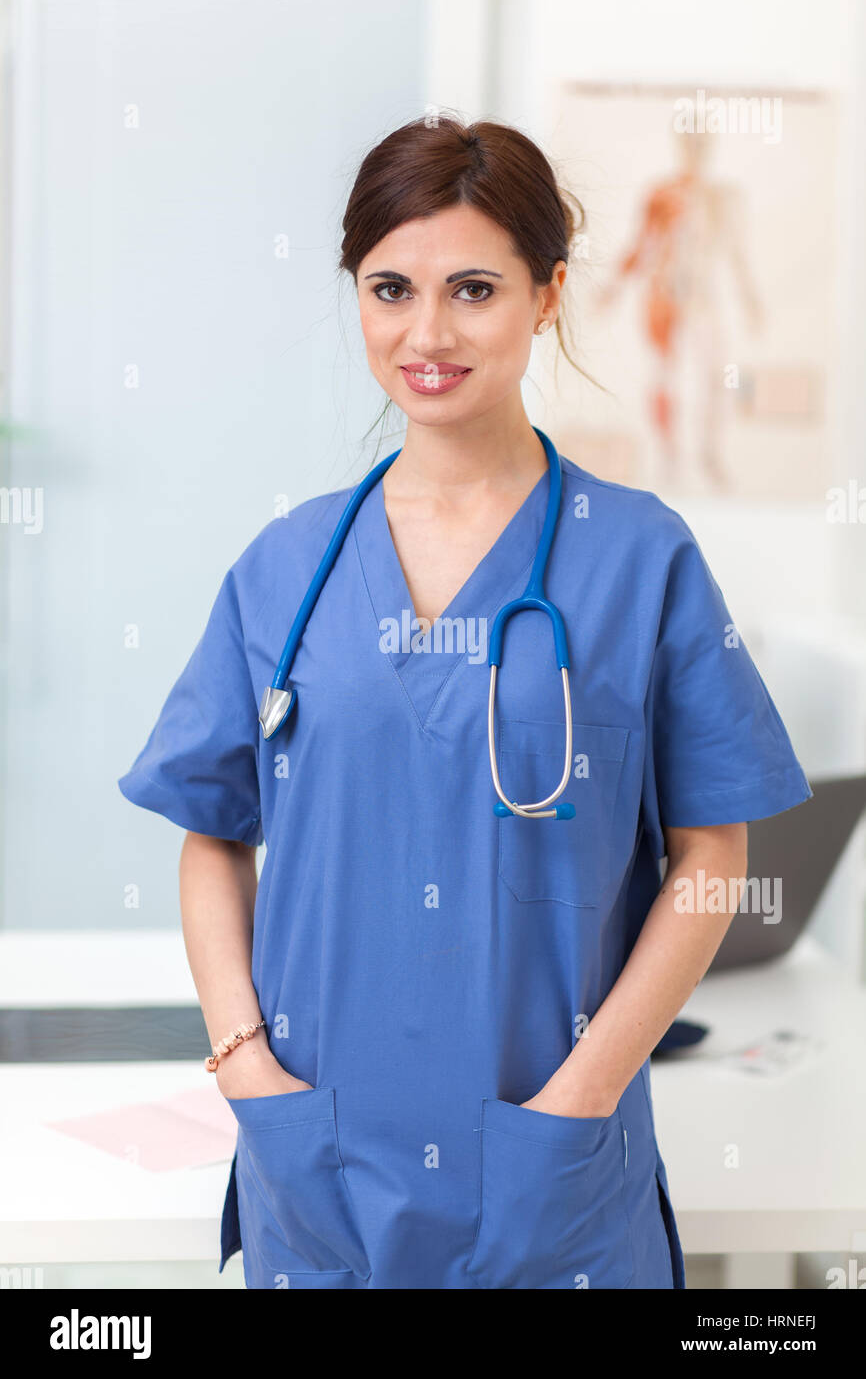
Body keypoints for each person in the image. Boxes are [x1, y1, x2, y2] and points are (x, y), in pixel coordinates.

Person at [117, 115, 812, 1290]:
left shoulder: (637, 557)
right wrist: (242, 1064)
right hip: (318, 1167)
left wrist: (581, 1096)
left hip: (557, 1169)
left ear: (545, 295)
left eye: (473, 289)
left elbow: (713, 850)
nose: (425, 333)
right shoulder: (286, 567)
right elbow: (210, 836)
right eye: (389, 288)